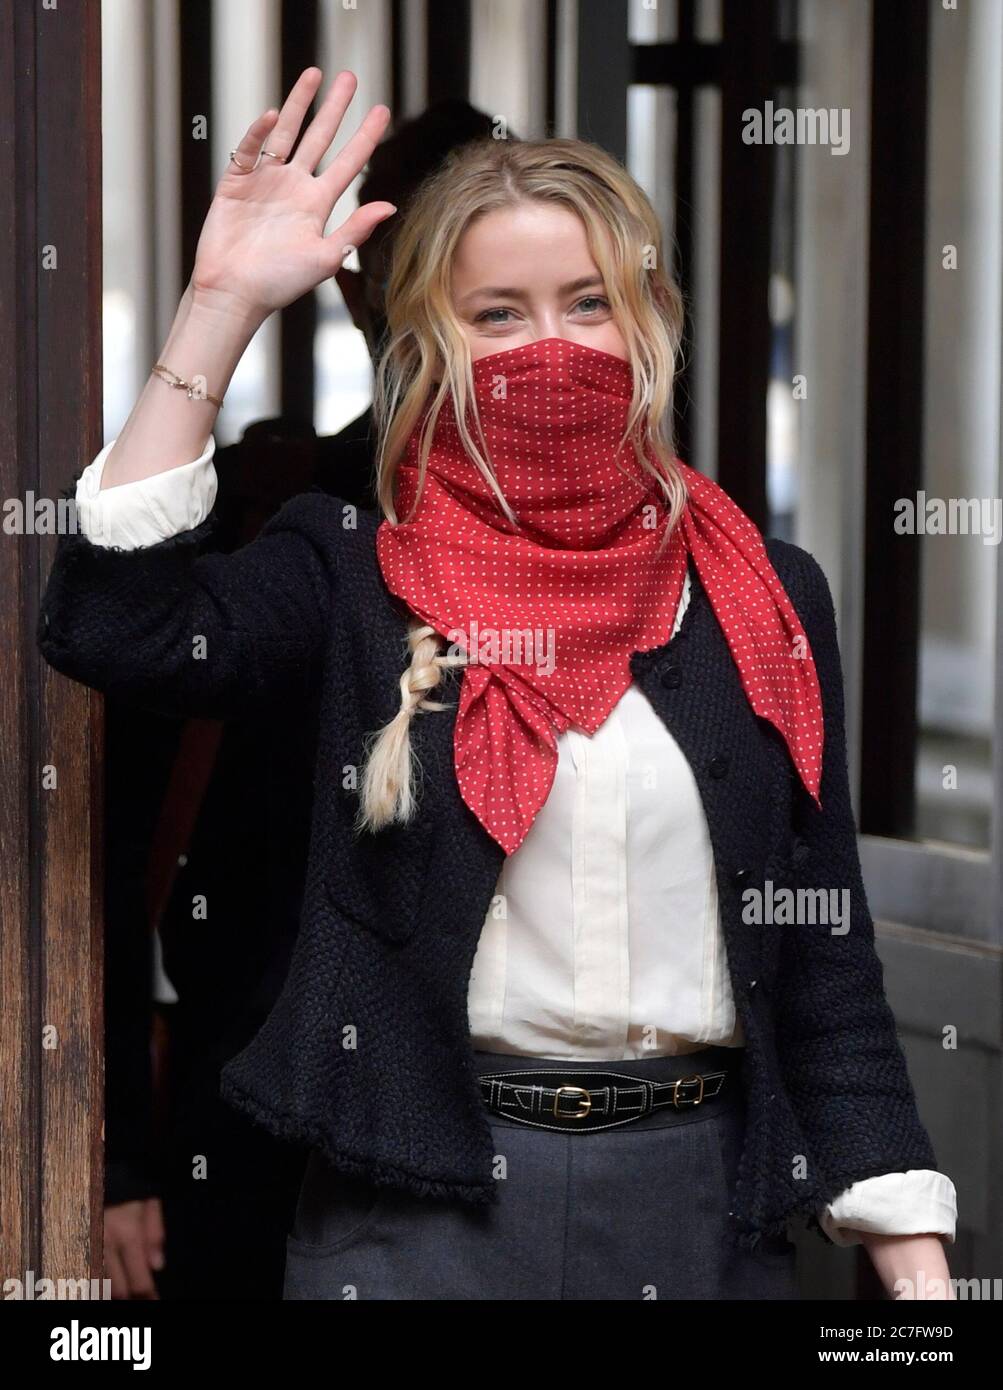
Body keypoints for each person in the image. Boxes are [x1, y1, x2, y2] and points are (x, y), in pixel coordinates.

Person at [39, 67, 957, 1300]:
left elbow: (825, 964)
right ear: (426, 344)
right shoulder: (354, 566)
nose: (554, 346)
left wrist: (917, 1267)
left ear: (652, 321)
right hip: (416, 1213)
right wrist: (217, 306)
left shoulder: (759, 590)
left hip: (705, 1210)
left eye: (589, 302)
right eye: (499, 313)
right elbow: (118, 628)